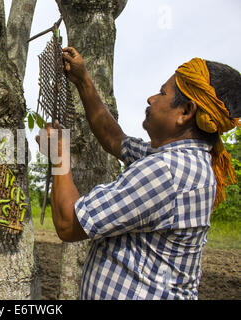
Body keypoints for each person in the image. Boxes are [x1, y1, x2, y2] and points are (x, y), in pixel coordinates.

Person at [36, 46, 240, 299]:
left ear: (186, 112)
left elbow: (68, 224)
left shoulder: (165, 171)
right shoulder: (186, 160)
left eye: (162, 93)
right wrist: (82, 80)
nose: (151, 99)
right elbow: (114, 138)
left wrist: (59, 155)